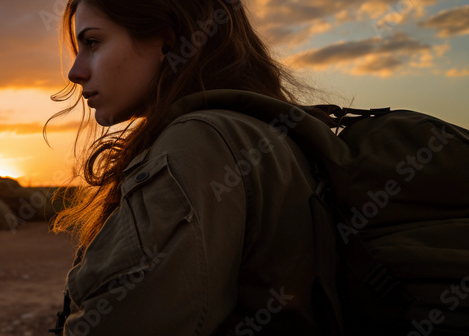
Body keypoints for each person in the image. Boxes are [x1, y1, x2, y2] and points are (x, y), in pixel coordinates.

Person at [47, 0, 340, 335]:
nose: (75, 71)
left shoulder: (199, 142)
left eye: (93, 42)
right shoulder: (264, 130)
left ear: (167, 40)